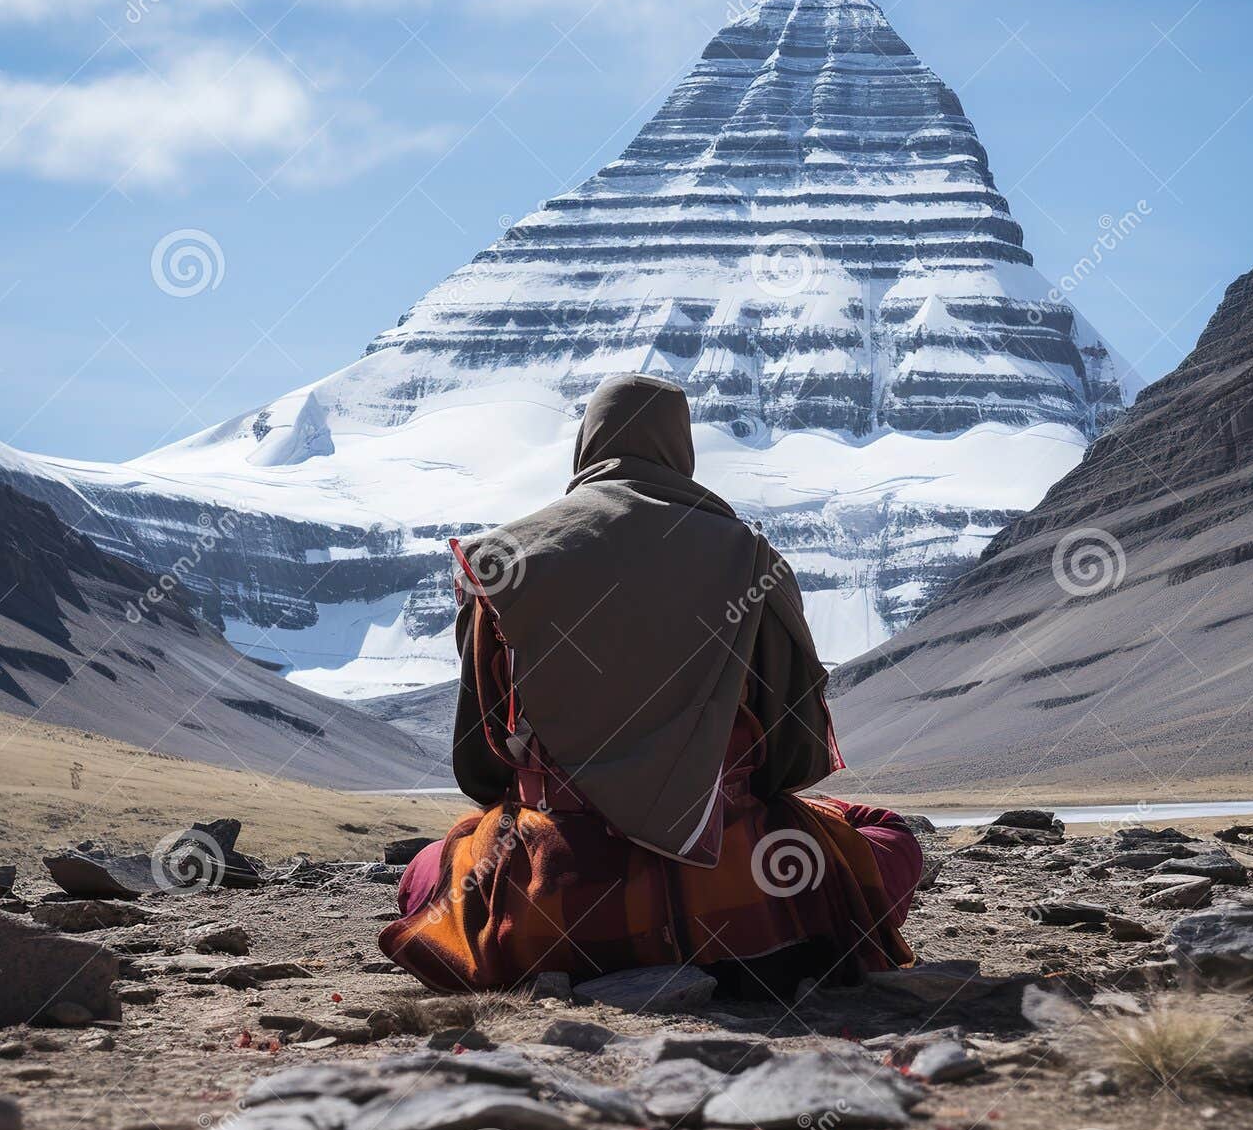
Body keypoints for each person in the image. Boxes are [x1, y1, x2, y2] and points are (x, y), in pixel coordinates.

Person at [379, 373, 923, 997]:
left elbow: (481, 767)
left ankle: (552, 951)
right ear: (682, 449)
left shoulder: (502, 565)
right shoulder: (749, 559)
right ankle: (753, 956)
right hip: (746, 886)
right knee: (886, 839)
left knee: (427, 874)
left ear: (586, 445)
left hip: (546, 896)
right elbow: (792, 753)